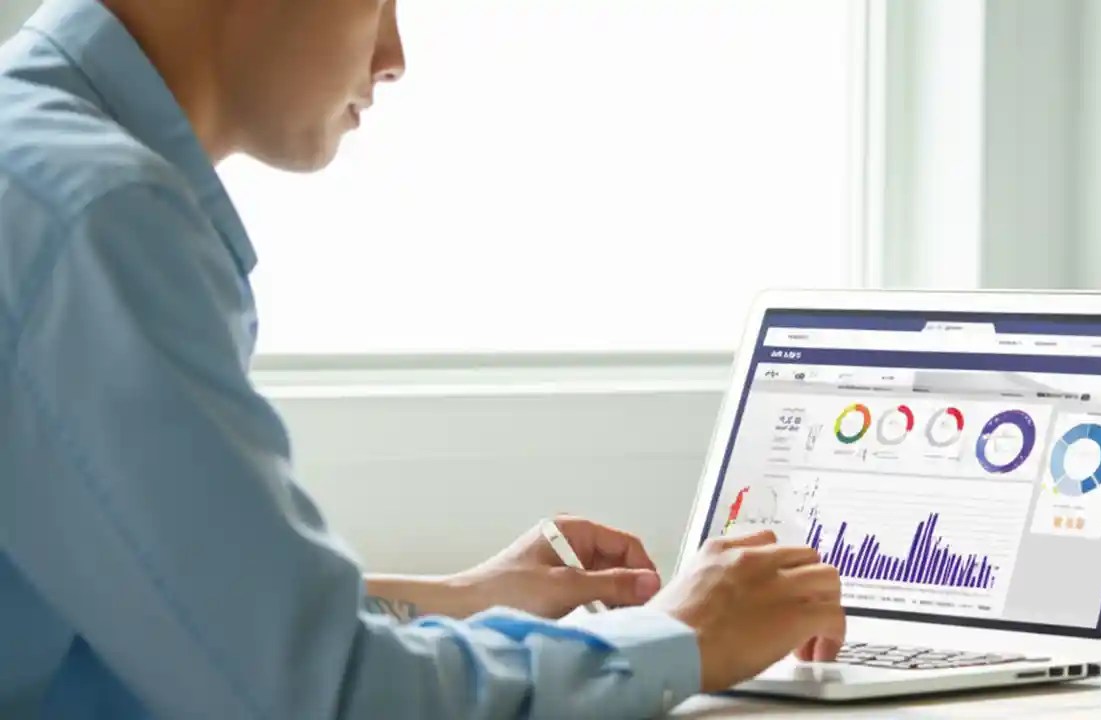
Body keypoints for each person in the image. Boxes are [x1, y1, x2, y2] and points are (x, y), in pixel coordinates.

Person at [0, 0, 847, 718]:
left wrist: (466, 597)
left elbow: (129, 631)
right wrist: (681, 638)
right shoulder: (97, 214)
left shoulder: (36, 159)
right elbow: (318, 697)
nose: (394, 56)